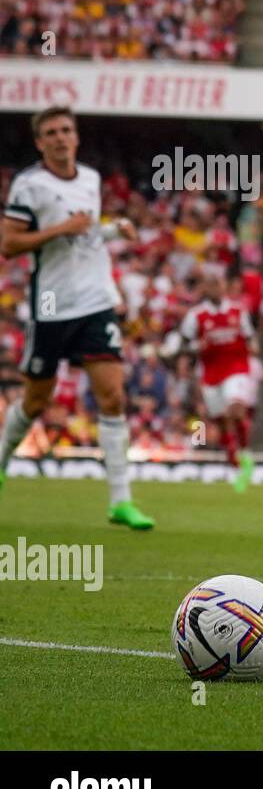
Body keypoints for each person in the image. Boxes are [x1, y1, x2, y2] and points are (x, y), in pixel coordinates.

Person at [0, 106, 154, 528]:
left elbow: (84, 233)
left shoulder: (90, 178)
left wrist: (112, 229)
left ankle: (120, 501)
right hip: (50, 307)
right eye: (50, 132)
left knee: (113, 397)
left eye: (66, 130)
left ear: (76, 136)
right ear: (39, 142)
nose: (60, 137)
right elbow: (10, 244)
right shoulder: (29, 186)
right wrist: (59, 229)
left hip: (95, 302)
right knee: (35, 402)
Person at [175, 273, 258, 492]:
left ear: (224, 286)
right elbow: (182, 345)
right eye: (210, 284)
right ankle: (236, 464)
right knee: (221, 422)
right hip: (211, 375)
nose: (215, 287)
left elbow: (250, 338)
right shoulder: (197, 315)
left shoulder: (238, 311)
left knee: (236, 410)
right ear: (205, 288)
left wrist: (253, 348)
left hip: (237, 368)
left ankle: (247, 454)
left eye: (218, 283)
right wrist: (195, 347)